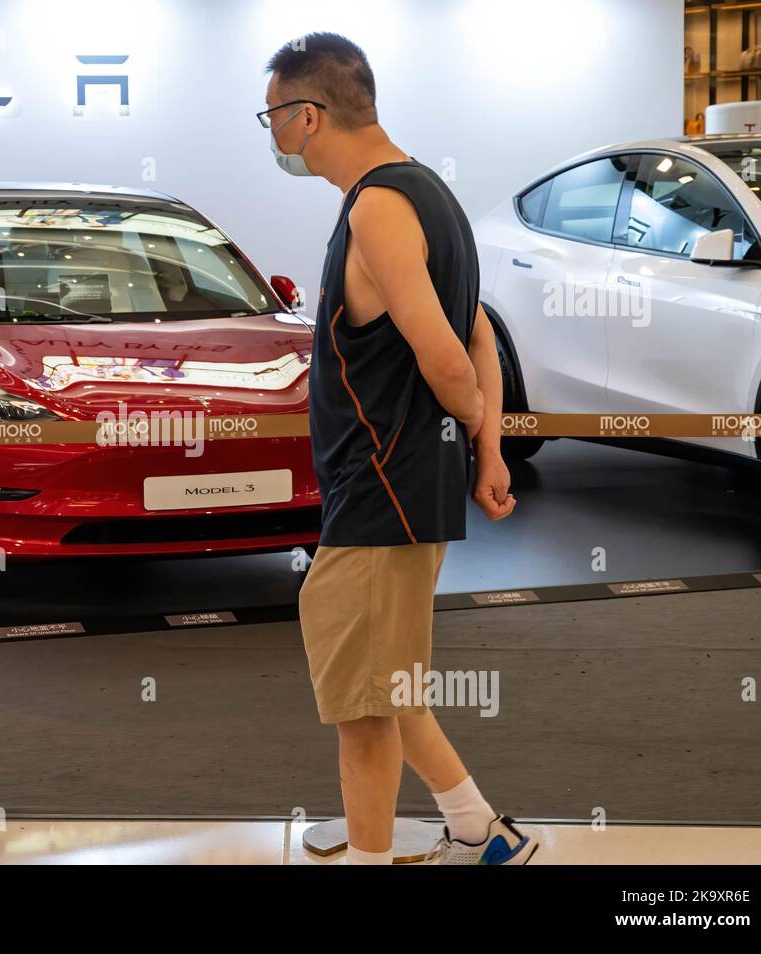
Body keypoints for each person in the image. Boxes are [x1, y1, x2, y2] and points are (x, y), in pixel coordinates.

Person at [262, 32, 538, 865]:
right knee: (393, 679)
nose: (272, 133)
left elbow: (451, 356)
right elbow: (481, 333)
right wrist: (486, 451)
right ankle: (478, 831)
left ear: (308, 116)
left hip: (382, 489)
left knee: (363, 709)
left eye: (273, 116)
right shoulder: (431, 197)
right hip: (405, 483)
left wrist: (476, 424)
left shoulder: (379, 208)